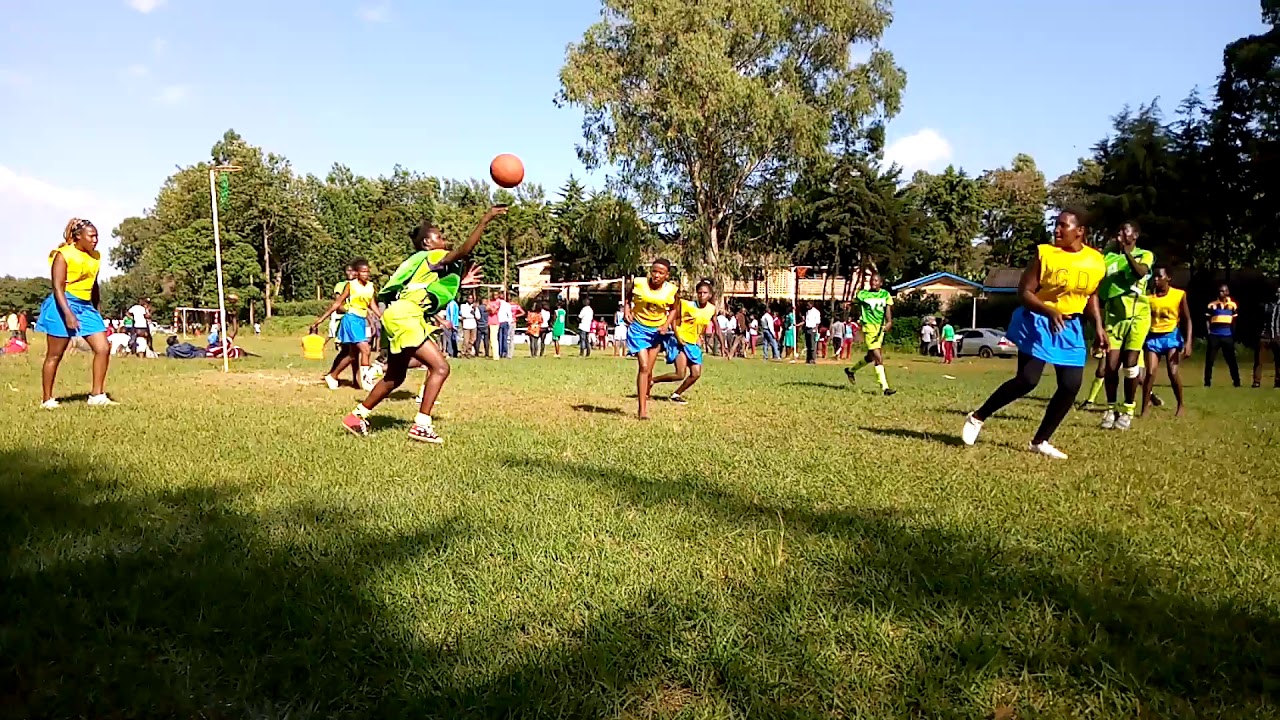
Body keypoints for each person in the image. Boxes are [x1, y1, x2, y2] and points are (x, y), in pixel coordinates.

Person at [343, 205, 503, 443]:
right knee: (440, 368)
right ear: (427, 243)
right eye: (439, 237)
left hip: (398, 314)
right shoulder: (432, 255)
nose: (444, 240)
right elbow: (463, 251)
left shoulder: (419, 261)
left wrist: (463, 281)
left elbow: (429, 288)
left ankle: (357, 417)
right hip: (406, 315)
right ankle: (421, 425)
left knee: (395, 377)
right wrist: (485, 221)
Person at [961, 208, 1106, 459]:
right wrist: (1048, 311)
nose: (1057, 230)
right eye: (1056, 225)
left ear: (1080, 231)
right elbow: (1024, 292)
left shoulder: (1096, 261)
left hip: (1070, 326)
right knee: (1028, 380)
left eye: (1064, 226)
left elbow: (1091, 294)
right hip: (1037, 320)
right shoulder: (1045, 254)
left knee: (1071, 386)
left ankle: (1040, 441)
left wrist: (1099, 327)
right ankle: (978, 417)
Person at [35, 218, 114, 407]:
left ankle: (97, 396)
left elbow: (94, 283)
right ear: (78, 237)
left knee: (103, 348)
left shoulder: (95, 256)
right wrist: (68, 313)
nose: (95, 240)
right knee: (55, 354)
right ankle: (47, 400)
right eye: (91, 236)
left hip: (85, 306)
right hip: (63, 303)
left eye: (97, 236)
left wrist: (96, 309)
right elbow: (57, 286)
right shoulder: (63, 255)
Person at [1082, 222, 1153, 431]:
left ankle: (1128, 409)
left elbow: (1140, 272)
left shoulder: (1144, 255)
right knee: (1110, 366)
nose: (1121, 233)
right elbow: (1097, 287)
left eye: (1126, 230)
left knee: (1131, 363)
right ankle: (1111, 409)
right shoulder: (1109, 258)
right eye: (1119, 230)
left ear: (1136, 235)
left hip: (1138, 316)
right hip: (1114, 318)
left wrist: (1126, 253)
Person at [652, 280, 727, 404]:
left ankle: (676, 394)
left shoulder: (711, 309)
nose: (702, 295)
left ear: (710, 295)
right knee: (680, 374)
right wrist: (677, 336)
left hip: (693, 344)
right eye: (699, 293)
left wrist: (723, 346)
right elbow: (674, 319)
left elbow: (717, 327)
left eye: (705, 293)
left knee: (696, 374)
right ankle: (653, 380)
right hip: (680, 341)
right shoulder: (686, 305)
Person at [311, 258, 380, 390]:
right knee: (365, 349)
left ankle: (332, 376)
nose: (366, 274)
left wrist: (382, 318)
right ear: (357, 273)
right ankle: (366, 382)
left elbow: (372, 305)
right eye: (363, 272)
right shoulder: (351, 285)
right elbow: (338, 303)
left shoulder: (370, 286)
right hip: (351, 319)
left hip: (361, 320)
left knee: (352, 355)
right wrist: (321, 319)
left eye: (367, 272)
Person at [624, 259, 679, 419]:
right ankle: (642, 411)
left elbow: (674, 309)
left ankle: (646, 393)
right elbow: (628, 297)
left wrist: (666, 325)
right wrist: (627, 309)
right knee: (644, 366)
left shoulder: (671, 290)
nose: (656, 275)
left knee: (648, 371)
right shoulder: (639, 283)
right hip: (638, 329)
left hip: (657, 332)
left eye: (661, 273)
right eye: (654, 271)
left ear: (667, 275)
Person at [1141, 267, 1193, 416]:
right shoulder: (1148, 297)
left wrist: (1188, 343)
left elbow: (1188, 320)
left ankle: (1180, 405)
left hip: (1171, 336)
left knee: (1173, 371)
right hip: (1153, 337)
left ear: (1168, 278)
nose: (1156, 279)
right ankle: (1144, 408)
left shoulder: (1179, 295)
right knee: (1150, 373)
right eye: (1154, 277)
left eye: (1159, 276)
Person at [844, 274, 896, 395]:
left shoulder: (885, 295)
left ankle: (851, 371)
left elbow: (887, 311)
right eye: (872, 280)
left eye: (876, 280)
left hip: (880, 329)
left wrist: (889, 322)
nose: (873, 282)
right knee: (878, 357)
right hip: (868, 328)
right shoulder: (863, 294)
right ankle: (885, 388)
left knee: (870, 357)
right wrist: (849, 307)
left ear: (881, 283)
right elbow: (854, 303)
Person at [1204, 284, 1241, 387]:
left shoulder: (1232, 305)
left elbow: (1234, 321)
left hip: (1227, 335)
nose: (1220, 293)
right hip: (1214, 335)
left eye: (1223, 291)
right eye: (1219, 291)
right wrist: (1209, 332)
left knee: (1231, 360)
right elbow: (1207, 320)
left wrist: (1233, 334)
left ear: (1227, 292)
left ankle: (1236, 381)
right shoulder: (1212, 305)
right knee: (1210, 360)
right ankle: (1207, 382)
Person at [1253, 286, 1280, 389]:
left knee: (1278, 360)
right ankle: (1256, 381)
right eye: (1277, 292)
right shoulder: (1264, 306)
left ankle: (1278, 382)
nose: (1277, 294)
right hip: (1265, 335)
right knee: (1259, 360)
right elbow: (1257, 319)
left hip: (1277, 335)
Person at [330, 265, 354, 351]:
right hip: (344, 318)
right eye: (348, 270)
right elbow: (338, 304)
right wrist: (350, 311)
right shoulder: (340, 285)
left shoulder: (362, 285)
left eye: (353, 270)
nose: (351, 273)